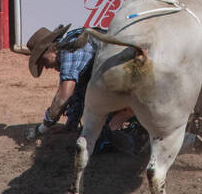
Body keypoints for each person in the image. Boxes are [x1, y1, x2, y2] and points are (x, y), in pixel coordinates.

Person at [26, 24, 147, 152]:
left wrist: (43, 127)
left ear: (50, 51)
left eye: (43, 61)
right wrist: (70, 126)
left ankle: (132, 135)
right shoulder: (73, 44)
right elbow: (79, 93)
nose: (46, 67)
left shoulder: (70, 49)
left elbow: (64, 96)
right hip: (134, 76)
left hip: (135, 81)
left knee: (99, 129)